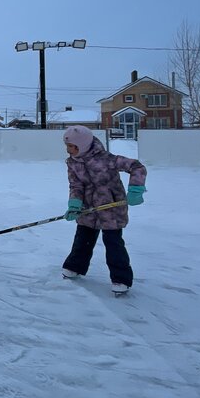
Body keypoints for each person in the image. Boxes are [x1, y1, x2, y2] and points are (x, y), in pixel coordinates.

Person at [60, 125, 147, 294]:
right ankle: (75, 267)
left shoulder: (108, 159)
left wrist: (136, 189)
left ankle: (121, 279)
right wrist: (74, 204)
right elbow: (75, 185)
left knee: (113, 244)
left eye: (71, 146)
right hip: (88, 209)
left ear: (83, 144)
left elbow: (137, 167)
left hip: (111, 208)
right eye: (67, 146)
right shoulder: (72, 163)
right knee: (82, 239)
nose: (68, 150)